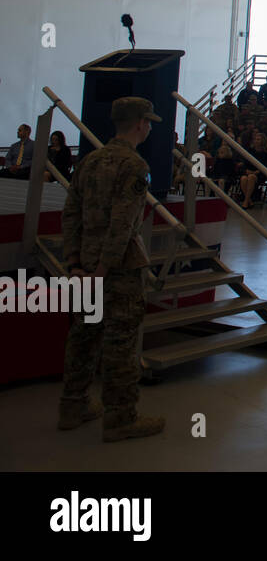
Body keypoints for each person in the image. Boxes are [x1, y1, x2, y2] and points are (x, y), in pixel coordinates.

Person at [58, 96, 165, 441]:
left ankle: (72, 407)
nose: (149, 126)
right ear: (139, 124)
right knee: (120, 341)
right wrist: (104, 269)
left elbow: (71, 214)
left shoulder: (88, 161)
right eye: (148, 121)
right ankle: (121, 418)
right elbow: (122, 225)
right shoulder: (135, 167)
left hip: (84, 265)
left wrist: (76, 264)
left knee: (83, 336)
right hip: (116, 270)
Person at [237, 132, 267, 206]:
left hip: (260, 173)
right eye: (256, 139)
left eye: (258, 139)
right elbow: (245, 162)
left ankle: (246, 201)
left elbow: (266, 165)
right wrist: (246, 170)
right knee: (243, 178)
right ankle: (249, 200)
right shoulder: (250, 150)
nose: (256, 141)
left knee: (251, 177)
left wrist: (256, 172)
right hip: (249, 171)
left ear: (263, 141)